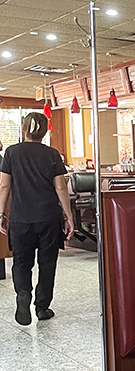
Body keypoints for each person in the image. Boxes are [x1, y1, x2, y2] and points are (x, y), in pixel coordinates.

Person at [0, 112, 74, 325]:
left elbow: (4, 185)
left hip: (21, 218)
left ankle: (23, 293)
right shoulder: (52, 154)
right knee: (47, 262)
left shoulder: (12, 153)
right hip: (49, 218)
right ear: (44, 131)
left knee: (22, 262)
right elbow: (60, 186)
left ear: (24, 130)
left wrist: (1, 214)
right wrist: (69, 217)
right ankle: (42, 307)